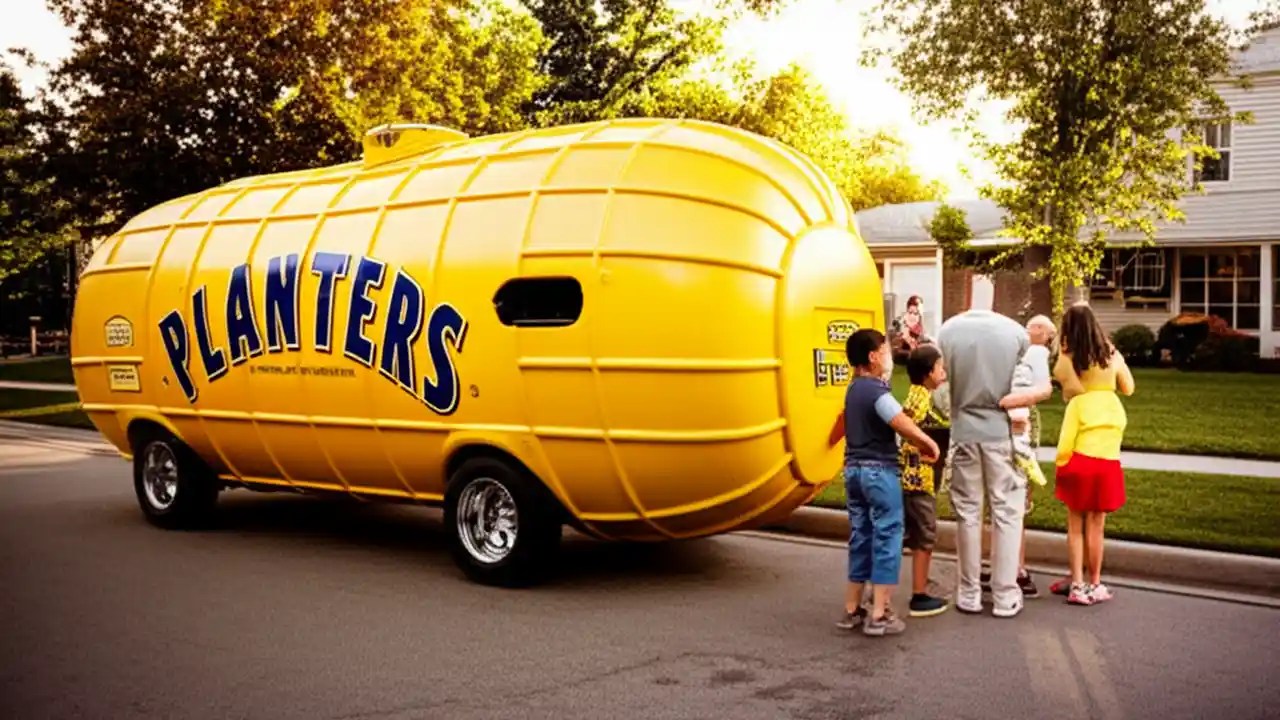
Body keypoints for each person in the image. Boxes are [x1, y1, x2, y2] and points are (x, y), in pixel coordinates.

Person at [835, 328, 939, 636]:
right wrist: (927, 442)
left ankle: (852, 608)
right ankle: (880, 613)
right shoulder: (874, 391)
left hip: (853, 471)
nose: (889, 357)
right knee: (887, 536)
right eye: (885, 351)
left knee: (861, 536)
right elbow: (898, 419)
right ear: (873, 356)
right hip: (879, 472)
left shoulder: (853, 389)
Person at [936, 299, 1029, 618]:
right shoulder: (1016, 334)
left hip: (964, 434)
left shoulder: (947, 333)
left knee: (968, 513)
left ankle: (969, 593)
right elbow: (1024, 387)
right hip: (1003, 435)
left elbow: (940, 392)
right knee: (1007, 512)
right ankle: (1004, 596)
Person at [1047, 304, 1135, 606]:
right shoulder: (1112, 357)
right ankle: (1095, 583)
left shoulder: (1072, 370)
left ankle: (1077, 585)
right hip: (1109, 460)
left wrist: (1065, 355)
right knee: (1097, 524)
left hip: (1078, 460)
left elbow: (1069, 390)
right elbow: (1129, 386)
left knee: (1075, 525)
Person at [977, 315, 1057, 598]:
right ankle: (1015, 569)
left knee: (997, 497)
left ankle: (994, 562)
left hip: (997, 430)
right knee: (1017, 500)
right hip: (1018, 431)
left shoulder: (995, 354)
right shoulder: (1034, 353)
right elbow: (1041, 390)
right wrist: (1020, 402)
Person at [898, 344, 950, 617]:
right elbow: (905, 427)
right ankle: (919, 595)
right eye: (940, 367)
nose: (943, 372)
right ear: (929, 373)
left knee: (911, 535)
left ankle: (881, 590)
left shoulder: (921, 394)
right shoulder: (920, 399)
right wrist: (926, 446)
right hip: (918, 481)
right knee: (924, 535)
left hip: (914, 480)